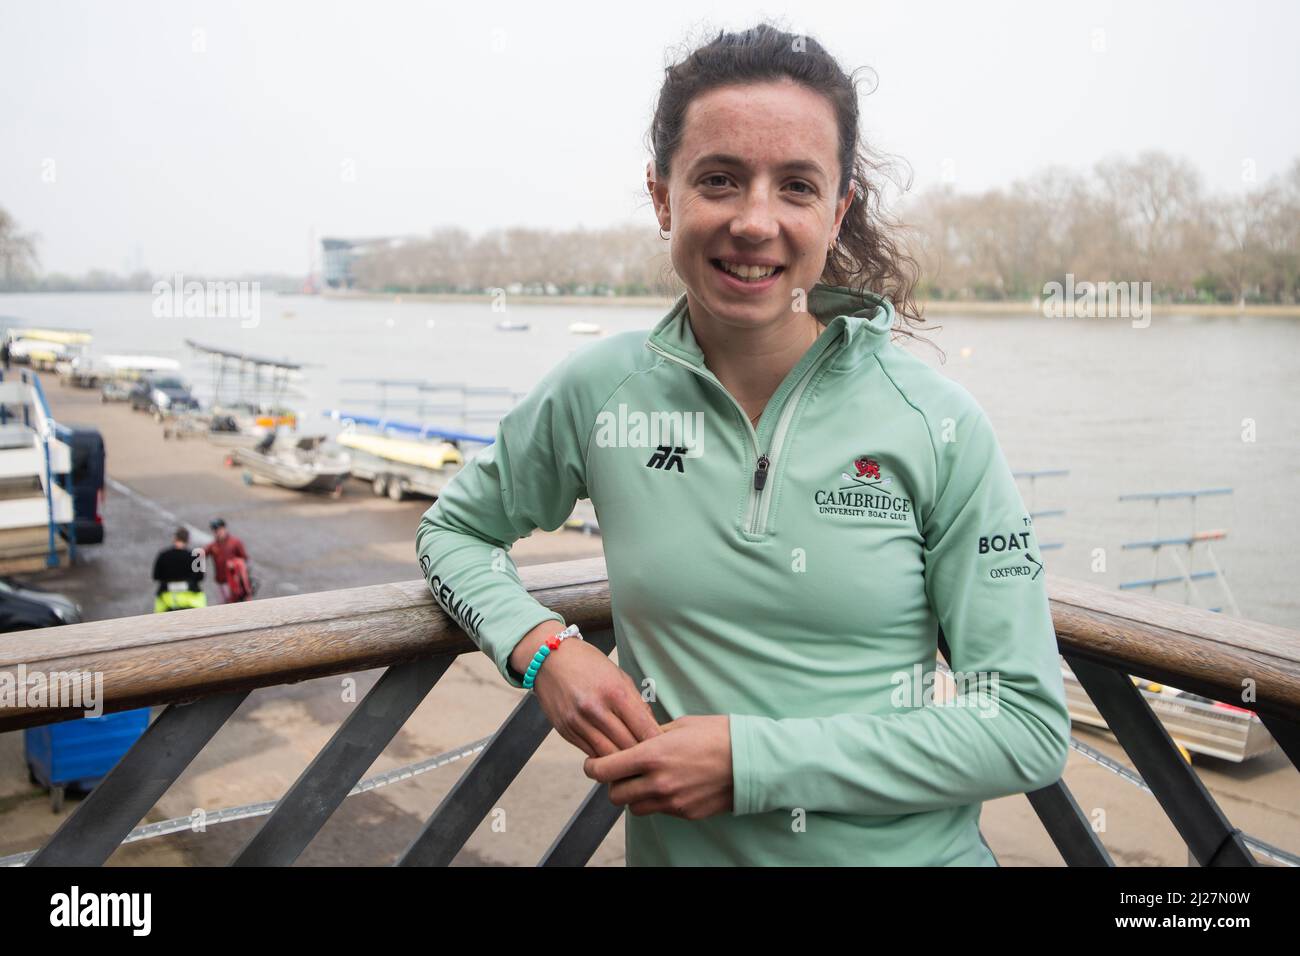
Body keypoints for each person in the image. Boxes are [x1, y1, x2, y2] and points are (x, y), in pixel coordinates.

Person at [415, 22, 1070, 866]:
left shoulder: (936, 423)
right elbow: (454, 533)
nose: (755, 222)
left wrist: (751, 765)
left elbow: (1024, 726)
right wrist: (546, 649)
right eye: (719, 180)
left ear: (837, 213)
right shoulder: (599, 393)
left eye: (795, 187)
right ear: (662, 197)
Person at [152, 527, 206, 612]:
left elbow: (156, 576)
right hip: (191, 600)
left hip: (167, 601)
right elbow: (200, 577)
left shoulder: (163, 555)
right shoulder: (195, 556)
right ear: (187, 540)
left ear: (175, 538)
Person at [203, 518, 251, 603]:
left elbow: (245, 558)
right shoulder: (213, 545)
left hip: (235, 581)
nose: (217, 532)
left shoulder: (235, 542)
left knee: (237, 604)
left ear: (224, 528)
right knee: (224, 606)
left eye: (219, 529)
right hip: (221, 582)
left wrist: (235, 563)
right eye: (215, 530)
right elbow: (202, 555)